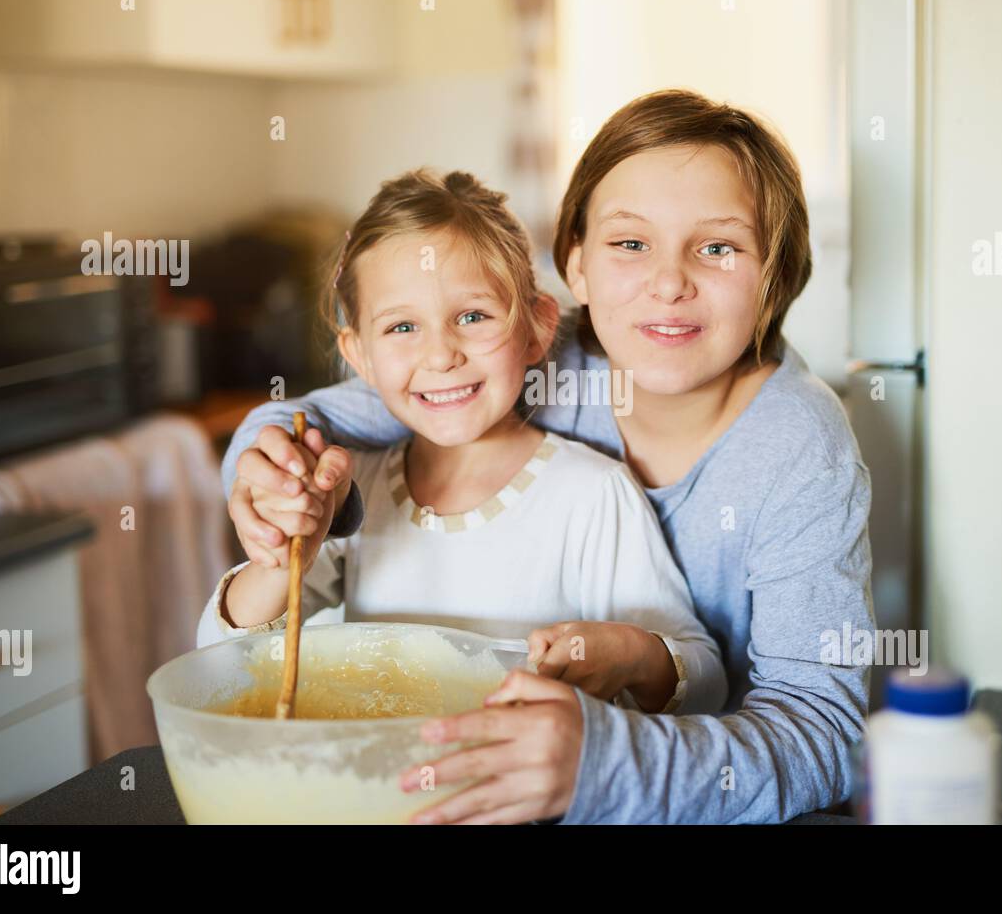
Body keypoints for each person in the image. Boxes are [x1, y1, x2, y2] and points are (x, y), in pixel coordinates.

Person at [224, 90, 875, 824]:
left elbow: (820, 735)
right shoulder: (522, 361)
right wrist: (266, 478)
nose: (669, 282)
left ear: (776, 274)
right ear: (577, 267)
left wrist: (603, 764)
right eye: (630, 243)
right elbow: (310, 422)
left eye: (718, 246)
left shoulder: (801, 449)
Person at [196, 168, 726, 734]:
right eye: (402, 328)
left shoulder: (593, 494)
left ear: (537, 328)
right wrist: (283, 553)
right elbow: (221, 658)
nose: (441, 354)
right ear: (360, 356)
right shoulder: (349, 489)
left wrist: (631, 653)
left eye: (472, 317)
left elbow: (707, 684)